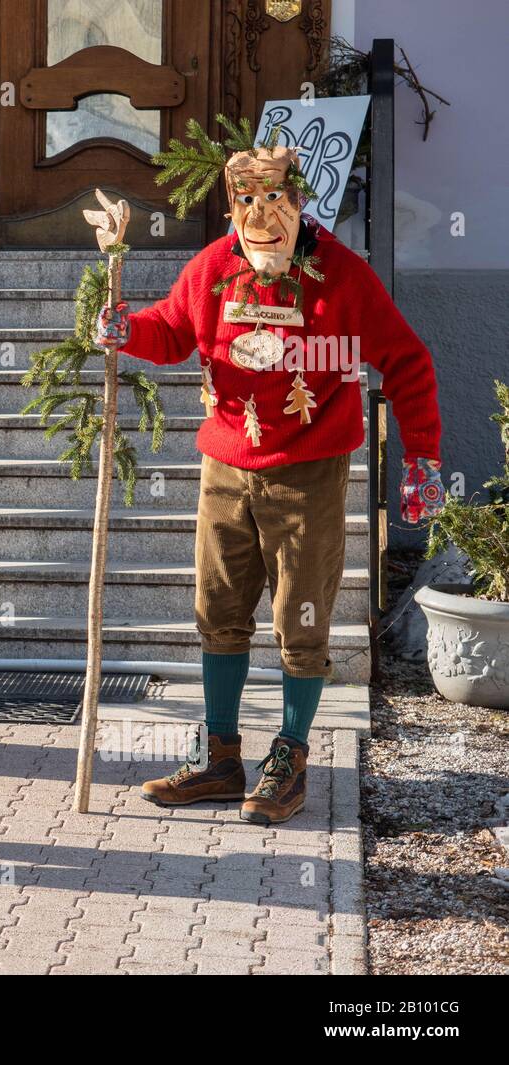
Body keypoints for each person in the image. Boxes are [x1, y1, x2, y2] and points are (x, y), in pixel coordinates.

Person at [96, 142, 443, 824]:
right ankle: (222, 758)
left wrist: (422, 456)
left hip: (308, 472)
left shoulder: (340, 275)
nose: (260, 214)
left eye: (274, 200)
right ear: (232, 207)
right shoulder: (214, 267)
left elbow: (405, 358)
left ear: (300, 202)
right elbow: (171, 330)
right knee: (219, 611)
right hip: (226, 466)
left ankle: (290, 755)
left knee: (300, 620)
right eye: (246, 201)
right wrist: (123, 328)